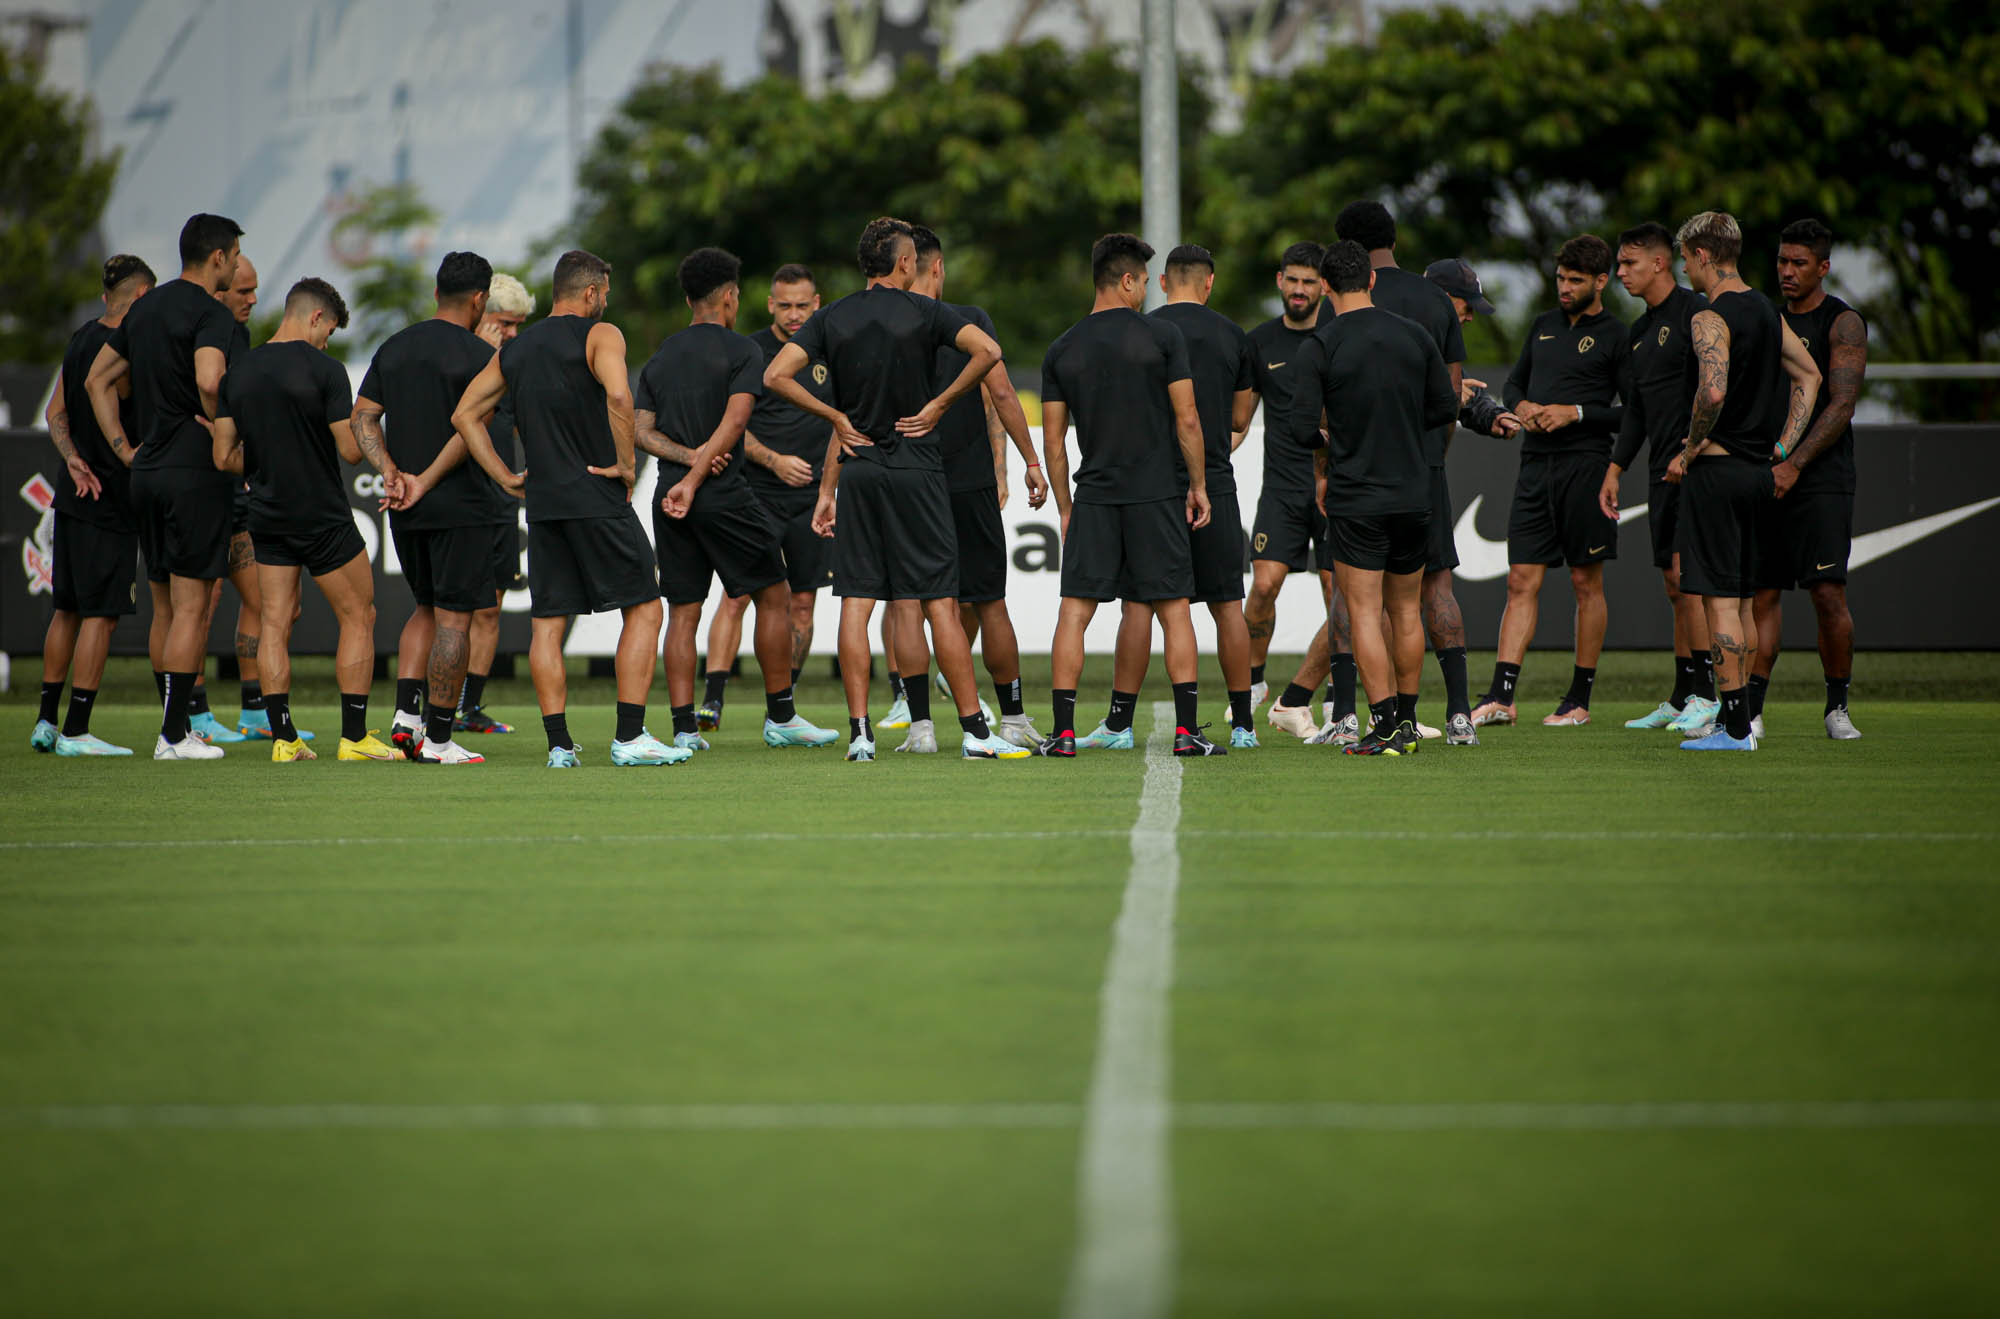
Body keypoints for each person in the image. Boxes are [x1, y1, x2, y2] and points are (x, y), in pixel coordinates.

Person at [765, 216, 1025, 762]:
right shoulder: (925, 310)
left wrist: (835, 416)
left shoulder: (831, 317)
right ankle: (977, 732)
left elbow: (775, 377)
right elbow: (988, 353)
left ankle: (862, 734)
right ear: (906, 263)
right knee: (936, 603)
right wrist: (939, 404)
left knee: (859, 604)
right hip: (916, 467)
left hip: (858, 469)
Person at [451, 249, 685, 767]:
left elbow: (465, 413)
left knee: (547, 626)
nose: (606, 301)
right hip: (597, 496)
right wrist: (626, 465)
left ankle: (558, 746)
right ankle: (629, 737)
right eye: (605, 293)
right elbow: (621, 398)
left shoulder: (519, 347)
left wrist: (506, 477)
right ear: (590, 293)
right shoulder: (603, 334)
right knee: (645, 608)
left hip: (544, 504)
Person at [638, 245, 838, 752]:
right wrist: (701, 469)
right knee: (775, 594)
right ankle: (781, 717)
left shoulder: (662, 354)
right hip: (723, 496)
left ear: (688, 299)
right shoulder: (742, 350)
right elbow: (735, 422)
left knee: (683, 612)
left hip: (669, 496)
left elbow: (642, 431)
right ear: (731, 297)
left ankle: (684, 729)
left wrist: (684, 464)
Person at [1036, 233, 1219, 759]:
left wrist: (1067, 509)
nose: (1143, 292)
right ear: (1126, 280)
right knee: (1174, 609)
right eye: (1141, 281)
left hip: (1095, 495)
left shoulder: (1062, 348)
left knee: (1074, 611)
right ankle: (1187, 732)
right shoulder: (1162, 338)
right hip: (1157, 493)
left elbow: (1054, 442)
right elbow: (1187, 419)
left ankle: (1064, 732)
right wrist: (1199, 486)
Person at [1077, 242, 1259, 750]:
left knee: (1138, 605)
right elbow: (1242, 418)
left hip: (1150, 486)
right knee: (1226, 604)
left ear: (1159, 283)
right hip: (1213, 481)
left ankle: (1118, 723)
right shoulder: (1233, 335)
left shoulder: (1144, 333)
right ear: (1210, 282)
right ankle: (1243, 724)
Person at [209, 278, 392, 762]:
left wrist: (271, 458)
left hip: (266, 514)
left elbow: (223, 455)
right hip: (322, 514)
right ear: (314, 317)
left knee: (274, 622)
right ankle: (354, 738)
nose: (327, 341)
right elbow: (352, 452)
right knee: (359, 615)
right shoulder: (325, 370)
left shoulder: (238, 374)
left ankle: (284, 740)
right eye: (328, 331)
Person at [84, 212, 242, 760]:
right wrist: (223, 422)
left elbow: (96, 379)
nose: (238, 266)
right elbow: (208, 380)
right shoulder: (212, 313)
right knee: (193, 609)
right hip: (193, 474)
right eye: (237, 256)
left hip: (146, 473)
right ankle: (174, 735)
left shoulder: (145, 306)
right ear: (218, 257)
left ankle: (173, 728)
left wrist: (125, 449)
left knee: (165, 608)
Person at [1294, 240, 1459, 755]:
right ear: (1370, 280)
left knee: (1365, 612)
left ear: (1324, 286)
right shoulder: (1414, 336)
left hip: (1357, 495)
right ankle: (1408, 721)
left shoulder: (1320, 344)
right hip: (1414, 491)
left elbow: (1301, 430)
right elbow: (1443, 409)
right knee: (1406, 610)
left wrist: (1335, 440)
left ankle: (1384, 724)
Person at [1668, 210, 1820, 751]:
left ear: (1703, 255)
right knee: (1747, 598)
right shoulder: (1764, 308)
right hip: (1759, 475)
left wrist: (1688, 450)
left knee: (1719, 602)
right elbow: (1809, 376)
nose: (1685, 268)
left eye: (1685, 257)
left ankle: (1733, 728)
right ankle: (1745, 717)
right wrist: (1782, 446)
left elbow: (1710, 392)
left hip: (1717, 471)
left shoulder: (1710, 316)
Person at [1469, 234, 1627, 729]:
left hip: (1586, 467)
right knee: (1521, 581)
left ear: (1601, 281)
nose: (1565, 287)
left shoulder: (1617, 336)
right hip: (1536, 467)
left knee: (1585, 582)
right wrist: (1522, 407)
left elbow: (1632, 413)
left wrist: (1575, 413)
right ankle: (1502, 696)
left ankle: (1578, 698)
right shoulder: (1541, 327)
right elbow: (1515, 383)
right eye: (1561, 278)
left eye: (1576, 280)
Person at [352, 250, 502, 765]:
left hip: (403, 507)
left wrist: (391, 472)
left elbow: (363, 418)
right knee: (455, 621)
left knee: (424, 609)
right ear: (479, 299)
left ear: (437, 292)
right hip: (459, 505)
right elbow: (471, 429)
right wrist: (424, 480)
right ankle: (438, 740)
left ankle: (405, 719)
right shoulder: (481, 355)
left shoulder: (394, 346)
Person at [902, 223, 1047, 747]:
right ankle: (1011, 719)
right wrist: (1030, 461)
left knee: (908, 605)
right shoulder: (969, 322)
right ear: (937, 267)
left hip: (905, 480)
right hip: (966, 481)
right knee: (988, 601)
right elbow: (1004, 394)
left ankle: (919, 726)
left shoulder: (879, 323)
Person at [32, 255, 157, 756]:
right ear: (144, 297)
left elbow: (54, 413)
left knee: (66, 609)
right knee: (99, 616)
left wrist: (73, 459)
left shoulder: (82, 338)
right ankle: (77, 729)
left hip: (72, 490)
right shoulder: (126, 349)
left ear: (108, 296)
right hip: (109, 498)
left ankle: (45, 721)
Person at [1598, 222, 1718, 734]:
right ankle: (1683, 692)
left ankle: (1711, 696)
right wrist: (1614, 468)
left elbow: (1717, 391)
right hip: (1657, 472)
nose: (1620, 272)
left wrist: (1693, 450)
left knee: (1691, 581)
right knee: (1674, 585)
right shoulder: (1640, 332)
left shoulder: (1697, 314)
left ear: (1660, 262)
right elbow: (1638, 412)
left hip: (1696, 468)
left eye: (1628, 263)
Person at [1752, 217, 1869, 741]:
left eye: (1800, 263)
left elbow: (1842, 402)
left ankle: (1836, 707)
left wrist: (1795, 464)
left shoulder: (1843, 323)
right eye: (1782, 261)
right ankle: (1750, 709)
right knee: (1762, 594)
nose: (1788, 271)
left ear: (1824, 267)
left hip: (1820, 479)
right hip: (1765, 474)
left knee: (1826, 593)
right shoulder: (1764, 319)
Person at [700, 263, 830, 729]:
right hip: (755, 494)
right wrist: (774, 460)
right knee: (736, 597)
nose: (794, 314)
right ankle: (711, 699)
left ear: (817, 304)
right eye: (785, 305)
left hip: (814, 499)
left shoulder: (830, 346)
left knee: (802, 603)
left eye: (802, 305)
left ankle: (784, 706)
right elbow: (731, 425)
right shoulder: (750, 350)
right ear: (770, 304)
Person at [1240, 241, 1329, 718]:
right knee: (1264, 586)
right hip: (1281, 487)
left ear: (1323, 287)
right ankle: (1252, 685)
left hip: (1338, 489)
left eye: (1308, 281)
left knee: (1341, 598)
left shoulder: (1339, 333)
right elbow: (1239, 422)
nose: (1298, 290)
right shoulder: (1258, 341)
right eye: (1292, 279)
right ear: (1280, 281)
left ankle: (1337, 692)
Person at [450, 270, 536, 737]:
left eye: (519, 325)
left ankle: (470, 706)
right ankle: (433, 706)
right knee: (450, 608)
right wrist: (484, 353)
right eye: (506, 323)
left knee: (491, 606)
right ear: (481, 315)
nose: (513, 334)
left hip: (502, 498)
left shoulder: (514, 364)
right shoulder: (459, 357)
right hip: (459, 497)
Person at [186, 252, 266, 744]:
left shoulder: (239, 333)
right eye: (243, 292)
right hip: (201, 484)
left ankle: (254, 710)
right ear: (219, 289)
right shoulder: (206, 327)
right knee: (202, 602)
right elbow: (209, 389)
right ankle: (194, 716)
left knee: (271, 601)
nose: (253, 300)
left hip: (237, 487)